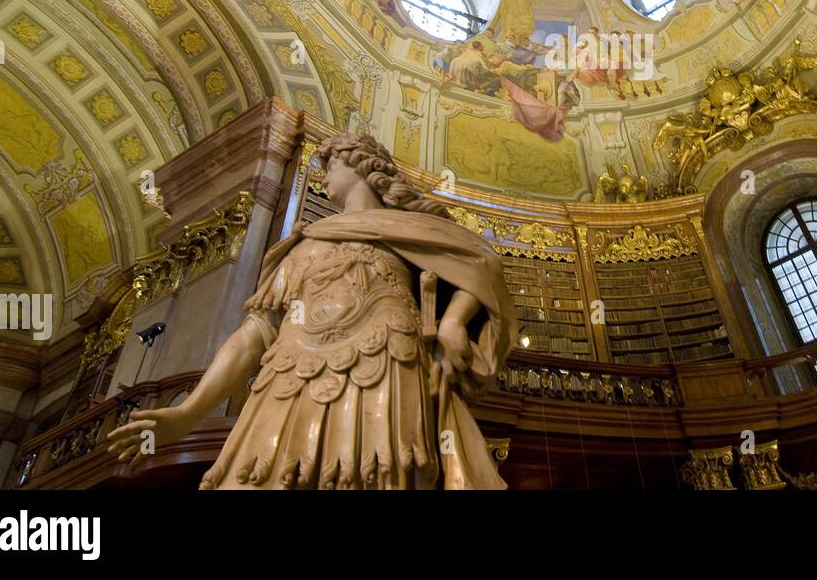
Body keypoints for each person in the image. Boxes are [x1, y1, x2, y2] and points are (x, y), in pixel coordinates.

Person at [107, 132, 515, 489]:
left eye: (330, 164)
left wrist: (454, 322)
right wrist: (189, 411)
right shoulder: (303, 243)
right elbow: (254, 335)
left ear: (356, 163)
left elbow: (480, 263)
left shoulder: (407, 230)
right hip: (288, 376)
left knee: (372, 474)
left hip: (384, 368)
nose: (324, 177)